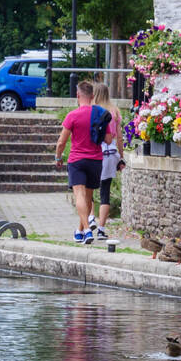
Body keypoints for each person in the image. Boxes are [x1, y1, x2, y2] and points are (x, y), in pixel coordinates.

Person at [53, 80, 116, 244]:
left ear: (78, 95)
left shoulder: (72, 116)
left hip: (77, 160)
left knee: (79, 196)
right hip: (96, 160)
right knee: (88, 198)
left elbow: (61, 142)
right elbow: (109, 139)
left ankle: (87, 230)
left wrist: (58, 157)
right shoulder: (101, 114)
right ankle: (80, 231)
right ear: (93, 96)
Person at [91, 81, 125, 238]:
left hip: (94, 153)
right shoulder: (114, 111)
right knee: (105, 191)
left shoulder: (91, 111)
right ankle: (101, 229)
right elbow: (119, 138)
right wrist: (121, 157)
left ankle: (90, 218)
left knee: (87, 189)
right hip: (110, 155)